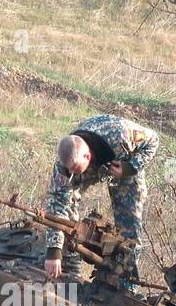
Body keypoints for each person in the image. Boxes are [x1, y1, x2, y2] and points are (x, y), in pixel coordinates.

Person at [43, 114, 160, 288]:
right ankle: (69, 269)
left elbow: (153, 140)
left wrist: (131, 167)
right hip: (97, 163)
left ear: (87, 157)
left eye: (76, 169)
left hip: (121, 165)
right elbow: (57, 204)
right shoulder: (64, 166)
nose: (73, 174)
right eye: (70, 170)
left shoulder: (121, 135)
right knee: (70, 223)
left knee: (129, 231)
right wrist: (53, 251)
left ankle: (126, 285)